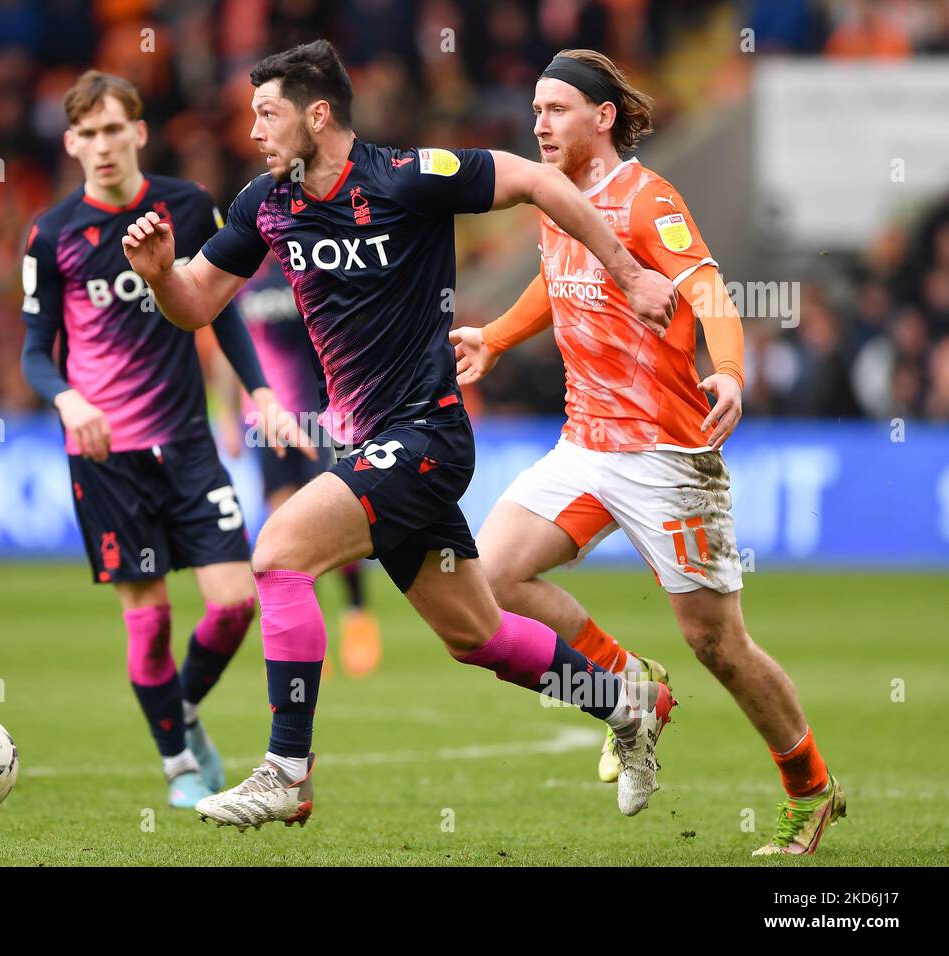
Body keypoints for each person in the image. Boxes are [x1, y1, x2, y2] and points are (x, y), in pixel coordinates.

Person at [122, 40, 681, 830]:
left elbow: (536, 181)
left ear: (319, 115)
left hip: (426, 438)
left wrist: (627, 273)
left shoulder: (408, 177)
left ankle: (287, 770)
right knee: (477, 635)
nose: (255, 130)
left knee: (278, 555)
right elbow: (196, 304)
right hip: (371, 449)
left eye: (268, 114)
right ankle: (628, 702)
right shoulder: (263, 204)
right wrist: (157, 274)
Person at [450, 49, 844, 856]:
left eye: (556, 108)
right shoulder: (556, 200)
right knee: (489, 578)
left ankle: (811, 789)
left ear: (601, 117)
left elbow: (708, 288)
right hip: (585, 442)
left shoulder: (647, 198)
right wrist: (493, 335)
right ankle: (631, 683)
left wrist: (727, 370)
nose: (538, 123)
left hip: (666, 453)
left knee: (718, 645)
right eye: (534, 109)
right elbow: (555, 282)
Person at [20, 71, 310, 808]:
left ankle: (177, 709)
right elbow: (33, 349)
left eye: (114, 128)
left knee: (236, 602)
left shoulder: (184, 206)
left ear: (139, 132)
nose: (102, 144)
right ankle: (180, 761)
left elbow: (221, 310)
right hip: (106, 454)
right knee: (147, 620)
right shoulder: (52, 234)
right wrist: (67, 398)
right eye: (86, 133)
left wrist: (264, 395)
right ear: (70, 144)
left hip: (185, 443)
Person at [213, 253, 382, 678]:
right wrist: (227, 419)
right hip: (266, 423)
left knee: (335, 525)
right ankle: (311, 635)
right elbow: (227, 351)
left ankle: (357, 615)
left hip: (322, 418)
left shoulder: (313, 267)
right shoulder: (241, 279)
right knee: (285, 530)